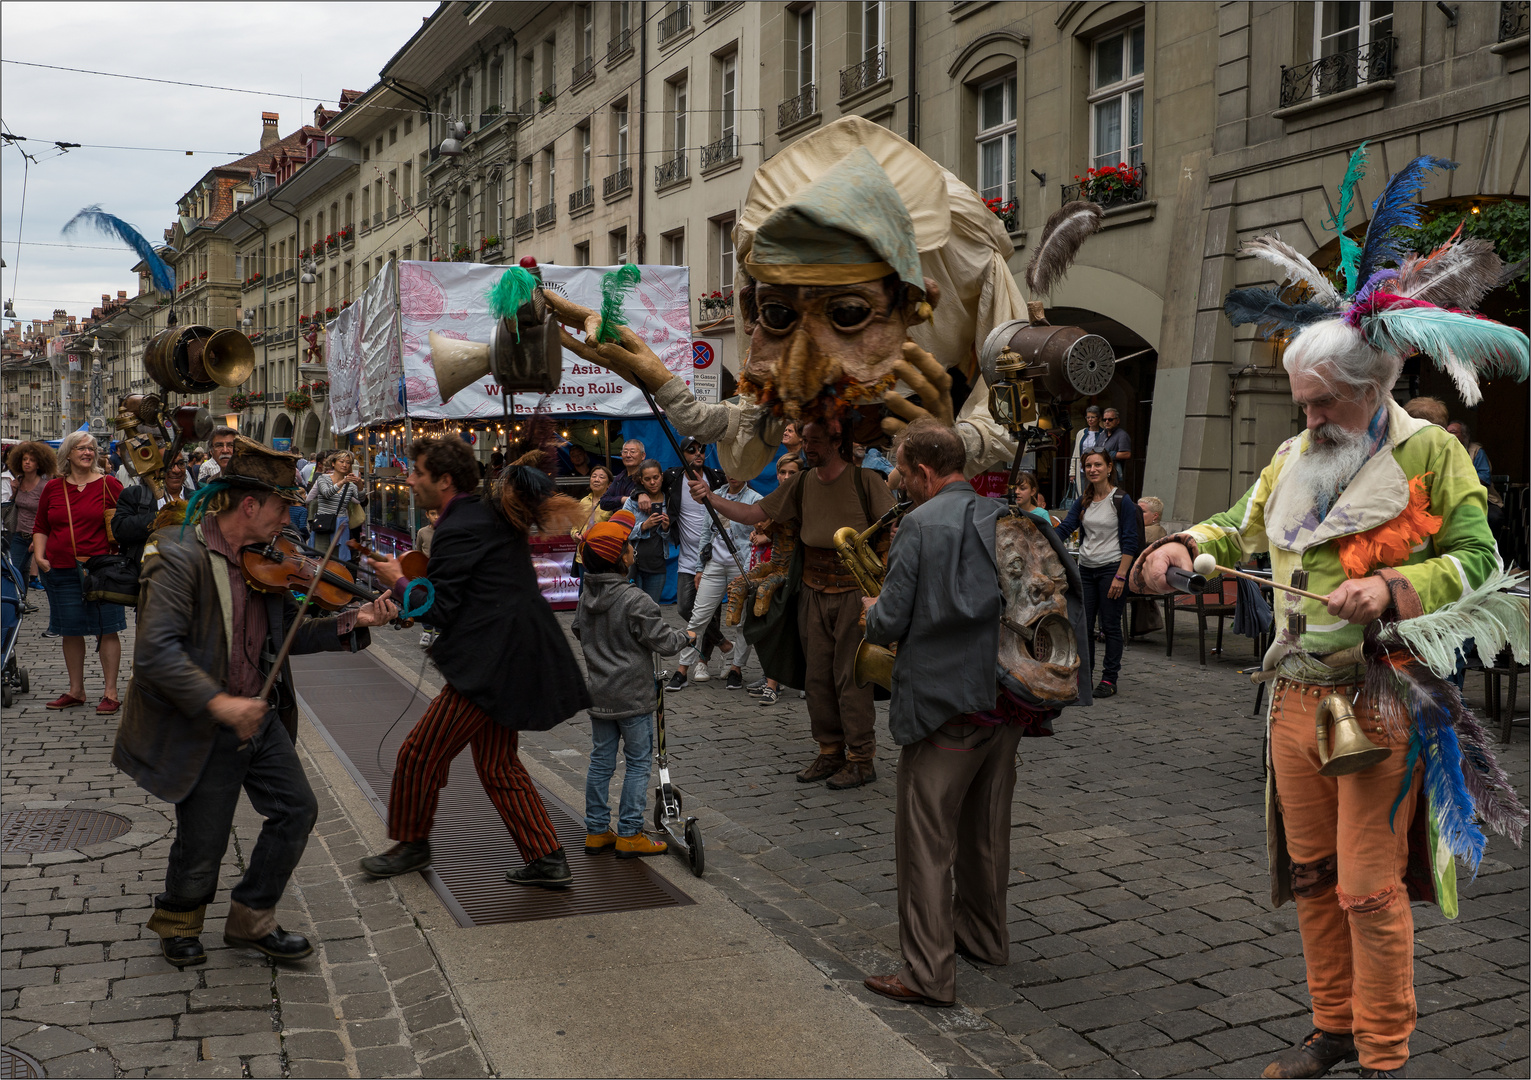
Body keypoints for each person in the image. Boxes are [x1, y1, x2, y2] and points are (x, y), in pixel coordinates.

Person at [1133, 311, 1509, 1079]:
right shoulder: (1288, 455)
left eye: (1323, 403)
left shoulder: (1430, 453)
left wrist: (1391, 585)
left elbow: (1479, 559)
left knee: (1368, 886)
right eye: (1300, 403)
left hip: (1379, 696)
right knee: (1311, 875)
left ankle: (1381, 1052)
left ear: (1372, 390)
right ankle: (1332, 1028)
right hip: (1292, 698)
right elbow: (1233, 529)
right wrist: (1179, 545)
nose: (1308, 419)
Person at [546, 118, 1020, 490]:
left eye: (847, 312)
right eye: (778, 312)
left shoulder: (965, 254)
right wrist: (659, 379)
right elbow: (742, 424)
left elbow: (1007, 413)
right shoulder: (770, 277)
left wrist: (940, 440)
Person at [113, 436, 396, 967]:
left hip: (260, 715)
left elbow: (292, 632)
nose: (289, 518)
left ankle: (251, 917)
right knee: (205, 838)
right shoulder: (178, 556)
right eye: (282, 506)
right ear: (250, 505)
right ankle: (179, 916)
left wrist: (355, 619)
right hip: (206, 720)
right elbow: (156, 653)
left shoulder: (264, 561)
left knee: (297, 810)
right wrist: (222, 705)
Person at [359, 437, 589, 888]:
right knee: (498, 765)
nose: (408, 480)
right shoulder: (480, 513)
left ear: (444, 480)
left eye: (417, 473)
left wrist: (400, 582)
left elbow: (440, 607)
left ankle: (411, 844)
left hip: (494, 662)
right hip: (511, 653)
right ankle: (546, 857)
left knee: (420, 753)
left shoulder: (460, 525)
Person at [857, 419, 1010, 1009]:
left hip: (945, 701)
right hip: (1005, 697)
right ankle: (984, 938)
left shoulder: (919, 524)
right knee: (986, 829)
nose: (898, 480)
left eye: (900, 470)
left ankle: (927, 975)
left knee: (926, 839)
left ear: (923, 471)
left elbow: (890, 622)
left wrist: (871, 608)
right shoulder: (1002, 513)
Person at [692, 417, 895, 790]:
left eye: (814, 440)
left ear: (837, 439)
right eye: (805, 440)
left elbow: (894, 531)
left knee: (850, 679)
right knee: (816, 678)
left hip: (856, 594)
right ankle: (830, 751)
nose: (807, 447)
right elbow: (755, 514)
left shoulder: (865, 481)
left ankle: (861, 759)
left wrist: (882, 596)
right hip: (811, 591)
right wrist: (710, 497)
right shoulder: (800, 482)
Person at [571, 520, 696, 858]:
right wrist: (688, 636)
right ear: (619, 560)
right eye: (628, 547)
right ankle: (629, 833)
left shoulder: (586, 596)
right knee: (639, 762)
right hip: (634, 696)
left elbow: (579, 630)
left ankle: (597, 831)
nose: (633, 550)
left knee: (601, 762)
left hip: (599, 693)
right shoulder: (634, 599)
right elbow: (664, 641)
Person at [31, 432, 127, 714]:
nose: (87, 452)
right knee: (70, 630)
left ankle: (110, 692)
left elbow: (126, 522)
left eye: (91, 448)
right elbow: (41, 526)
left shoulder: (109, 484)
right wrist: (39, 557)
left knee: (107, 628)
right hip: (60, 569)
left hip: (102, 569)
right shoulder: (53, 488)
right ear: (68, 454)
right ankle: (76, 690)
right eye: (81, 448)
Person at [1049, 448, 1140, 698]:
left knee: (1110, 627)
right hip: (1086, 570)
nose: (1093, 469)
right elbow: (1067, 527)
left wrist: (1121, 576)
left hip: (1112, 568)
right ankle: (1084, 678)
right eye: (1088, 465)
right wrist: (1042, 538)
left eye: (1098, 465)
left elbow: (1130, 542)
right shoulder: (1084, 499)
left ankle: (1109, 679)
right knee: (1083, 626)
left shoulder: (1121, 500)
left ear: (1109, 468)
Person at [673, 473, 761, 690]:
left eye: (738, 470)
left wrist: (751, 570)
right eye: (729, 470)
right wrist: (700, 567)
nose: (733, 475)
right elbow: (705, 533)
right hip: (714, 563)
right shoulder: (715, 495)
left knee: (742, 621)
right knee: (698, 617)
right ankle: (682, 669)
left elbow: (758, 537)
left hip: (741, 565)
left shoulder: (754, 499)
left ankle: (736, 669)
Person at [664, 438, 729, 683]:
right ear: (682, 453)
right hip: (687, 558)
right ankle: (724, 644)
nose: (698, 453)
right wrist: (639, 496)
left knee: (712, 611)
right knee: (684, 607)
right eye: (691, 449)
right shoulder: (672, 477)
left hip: (715, 558)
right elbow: (641, 481)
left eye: (701, 449)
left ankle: (702, 663)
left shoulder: (716, 477)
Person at [112, 453, 191, 567]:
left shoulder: (197, 497)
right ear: (154, 468)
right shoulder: (135, 495)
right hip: (146, 573)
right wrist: (161, 516)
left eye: (180, 464)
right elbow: (120, 530)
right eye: (169, 465)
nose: (176, 470)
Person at [5, 441, 55, 601]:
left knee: (48, 577)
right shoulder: (18, 482)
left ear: (39, 463)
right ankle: (19, 602)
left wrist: (39, 538)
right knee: (14, 572)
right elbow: (15, 506)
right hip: (19, 535)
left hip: (40, 536)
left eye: (32, 460)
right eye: (24, 459)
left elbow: (48, 514)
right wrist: (13, 493)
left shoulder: (45, 486)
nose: (27, 462)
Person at [622, 459, 671, 603]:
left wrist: (666, 528)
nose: (652, 482)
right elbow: (622, 531)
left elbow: (675, 538)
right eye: (647, 479)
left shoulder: (669, 501)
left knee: (652, 609)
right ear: (641, 481)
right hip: (634, 564)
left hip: (657, 564)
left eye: (656, 478)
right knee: (632, 608)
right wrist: (644, 526)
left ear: (662, 476)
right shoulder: (632, 501)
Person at [1446, 420, 1503, 533]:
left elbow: (1484, 478)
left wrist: (1460, 481)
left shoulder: (1476, 451)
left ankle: (1489, 548)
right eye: (1446, 432)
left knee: (1494, 517)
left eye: (1453, 432)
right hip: (1452, 499)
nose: (1448, 435)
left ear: (1464, 436)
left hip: (1481, 498)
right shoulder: (1443, 451)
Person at [308, 451, 365, 561]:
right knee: (320, 557)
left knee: (338, 559)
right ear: (333, 463)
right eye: (341, 461)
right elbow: (326, 493)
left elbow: (360, 500)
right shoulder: (323, 479)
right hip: (323, 522)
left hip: (341, 524)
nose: (344, 465)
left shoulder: (350, 484)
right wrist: (342, 482)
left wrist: (360, 487)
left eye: (348, 463)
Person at [571, 464, 614, 581]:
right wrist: (575, 534)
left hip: (602, 556)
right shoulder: (583, 501)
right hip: (583, 556)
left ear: (609, 484)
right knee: (584, 593)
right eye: (594, 476)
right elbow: (574, 527)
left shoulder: (612, 504)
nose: (596, 479)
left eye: (601, 477)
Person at [599, 439, 648, 511]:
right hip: (618, 520)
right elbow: (603, 502)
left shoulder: (646, 477)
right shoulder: (620, 477)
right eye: (625, 452)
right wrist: (623, 499)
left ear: (643, 456)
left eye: (632, 452)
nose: (628, 455)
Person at [1067, 405, 1104, 491]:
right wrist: (1072, 472)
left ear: (1099, 418)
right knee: (1083, 494)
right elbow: (1075, 453)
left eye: (1092, 417)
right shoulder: (1081, 433)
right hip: (1082, 469)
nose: (1090, 420)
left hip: (1097, 470)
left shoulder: (1104, 433)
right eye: (1088, 417)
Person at [1099, 408, 1133, 487]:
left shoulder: (1122, 435)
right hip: (1101, 473)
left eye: (1110, 419)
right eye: (1104, 419)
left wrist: (1109, 454)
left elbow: (1127, 454)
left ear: (1117, 421)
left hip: (1114, 475)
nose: (1107, 422)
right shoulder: (1102, 434)